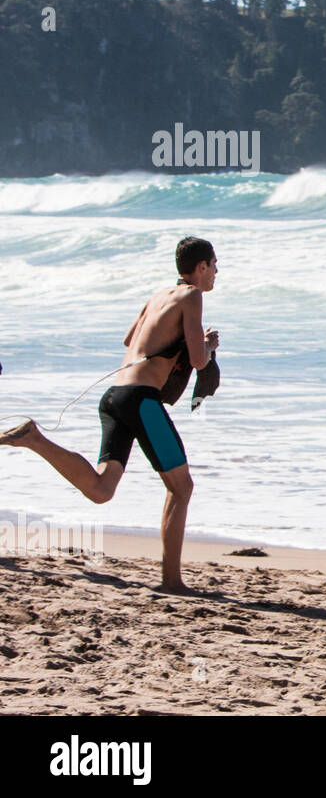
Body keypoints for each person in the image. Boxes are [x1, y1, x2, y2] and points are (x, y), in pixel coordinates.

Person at [0, 237, 219, 593]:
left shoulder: (157, 296)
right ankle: (171, 581)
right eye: (214, 265)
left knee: (102, 489)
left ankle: (34, 439)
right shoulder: (191, 296)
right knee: (182, 486)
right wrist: (207, 345)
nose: (216, 273)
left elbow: (129, 338)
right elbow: (198, 361)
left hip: (114, 395)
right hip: (140, 401)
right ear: (201, 267)